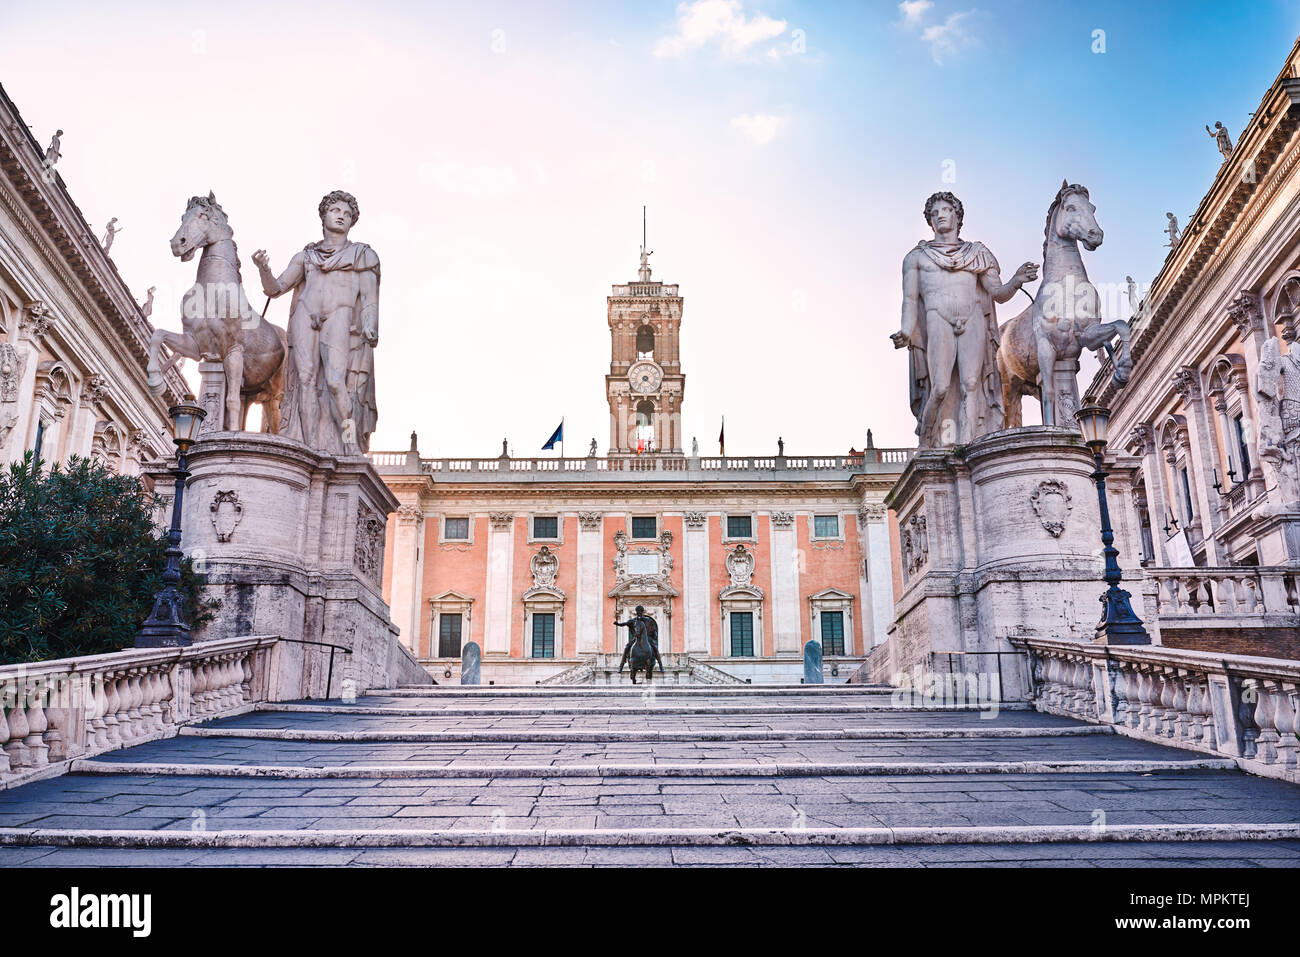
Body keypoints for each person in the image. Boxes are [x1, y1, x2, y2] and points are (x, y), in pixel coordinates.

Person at [252, 190, 379, 454]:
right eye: (336, 211)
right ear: (323, 216)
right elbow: (275, 289)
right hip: (305, 316)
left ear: (353, 220)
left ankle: (349, 442)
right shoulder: (306, 256)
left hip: (339, 316)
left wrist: (369, 325)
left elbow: (369, 299)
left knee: (335, 382)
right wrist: (263, 268)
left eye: (347, 214)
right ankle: (308, 447)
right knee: (305, 381)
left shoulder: (362, 255)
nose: (341, 216)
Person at [614, 605, 664, 675]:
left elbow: (653, 630)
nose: (639, 613)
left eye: (640, 612)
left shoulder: (648, 620)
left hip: (647, 638)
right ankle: (621, 666)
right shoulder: (634, 620)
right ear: (636, 612)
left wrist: (655, 634)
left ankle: (661, 665)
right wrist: (618, 624)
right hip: (636, 638)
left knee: (655, 648)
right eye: (638, 612)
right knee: (626, 647)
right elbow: (625, 623)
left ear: (642, 612)